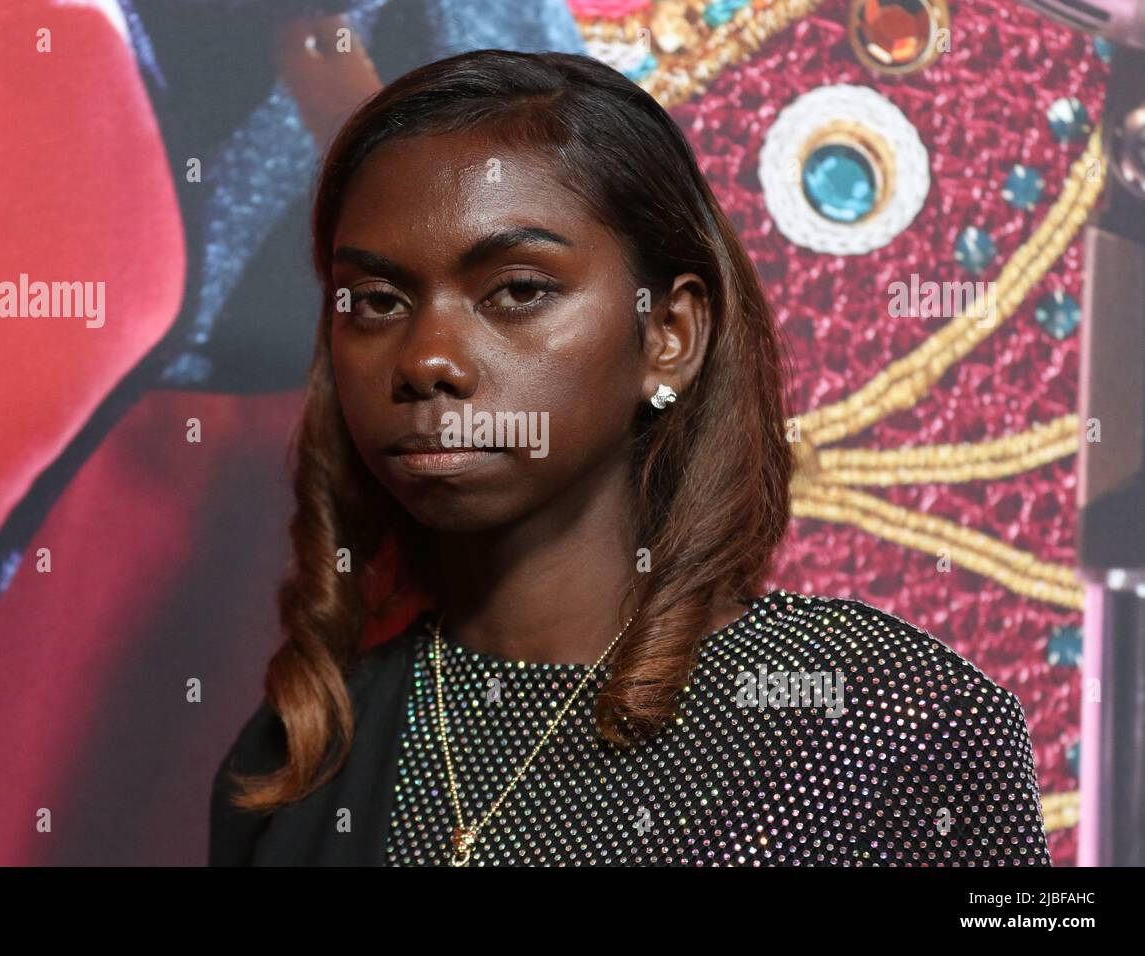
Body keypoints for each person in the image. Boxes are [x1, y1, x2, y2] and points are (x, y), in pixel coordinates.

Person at [208, 49, 1051, 867]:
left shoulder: (885, 723)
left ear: (669, 335)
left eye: (518, 290)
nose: (428, 360)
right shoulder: (303, 746)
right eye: (380, 301)